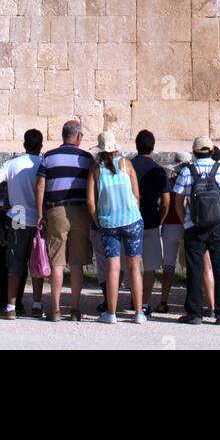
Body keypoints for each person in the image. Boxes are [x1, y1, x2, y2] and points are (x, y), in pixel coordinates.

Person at [172, 136, 220, 326]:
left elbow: (178, 200)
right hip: (219, 225)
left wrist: (185, 220)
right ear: (211, 151)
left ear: (194, 152)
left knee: (195, 269)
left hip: (195, 225)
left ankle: (194, 313)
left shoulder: (187, 171)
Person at [34, 119, 96, 322]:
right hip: (81, 211)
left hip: (56, 211)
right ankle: (75, 309)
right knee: (77, 263)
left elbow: (41, 186)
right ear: (78, 136)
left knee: (57, 262)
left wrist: (40, 213)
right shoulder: (87, 158)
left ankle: (56, 309)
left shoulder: (49, 157)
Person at [85, 131, 146, 325]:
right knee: (134, 267)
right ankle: (138, 313)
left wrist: (98, 221)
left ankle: (111, 313)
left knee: (113, 267)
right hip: (131, 220)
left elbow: (90, 203)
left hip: (108, 222)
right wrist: (132, 214)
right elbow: (137, 196)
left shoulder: (95, 170)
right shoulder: (127, 165)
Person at [0, 129, 45, 319]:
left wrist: (2, 203)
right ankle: (37, 304)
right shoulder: (44, 164)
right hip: (39, 217)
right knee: (37, 261)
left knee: (15, 262)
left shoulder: (12, 164)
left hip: (17, 215)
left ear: (24, 144)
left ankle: (11, 306)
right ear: (41, 145)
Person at [129, 130, 169, 319]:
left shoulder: (128, 167)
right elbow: (166, 201)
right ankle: (144, 302)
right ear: (152, 147)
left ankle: (134, 298)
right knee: (150, 266)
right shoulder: (159, 170)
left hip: (130, 219)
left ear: (137, 145)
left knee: (132, 262)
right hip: (151, 220)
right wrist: (161, 218)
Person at [155, 151, 191, 313]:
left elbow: (165, 204)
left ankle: (164, 301)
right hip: (187, 226)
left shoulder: (169, 182)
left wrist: (160, 223)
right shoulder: (192, 180)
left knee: (168, 267)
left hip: (170, 226)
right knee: (192, 266)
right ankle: (192, 301)